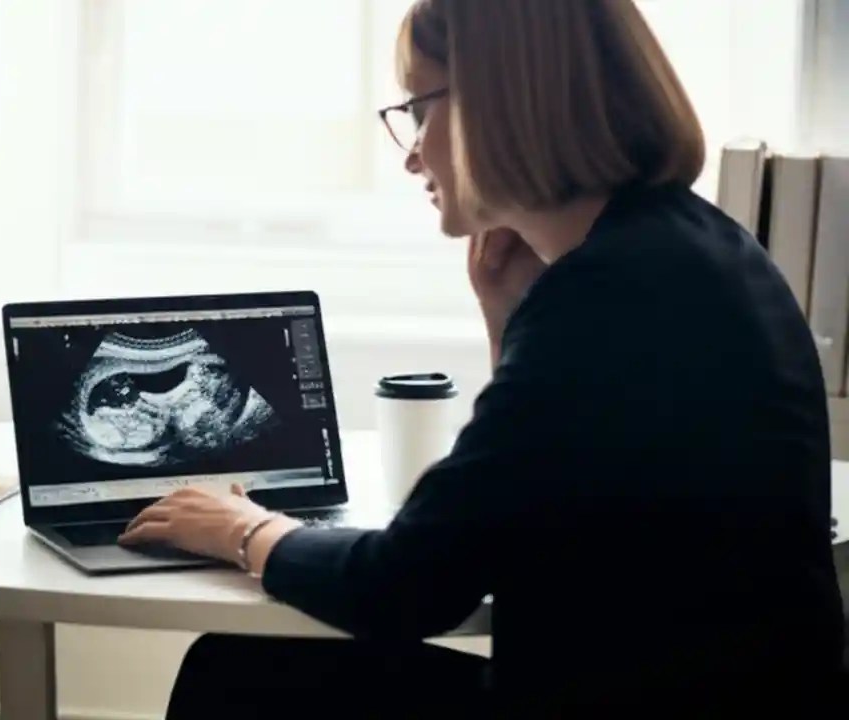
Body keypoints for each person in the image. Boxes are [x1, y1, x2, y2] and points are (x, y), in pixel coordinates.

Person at [118, 0, 847, 716]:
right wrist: (508, 320)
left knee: (235, 674)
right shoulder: (699, 247)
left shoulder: (607, 296)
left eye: (421, 111)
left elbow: (409, 587)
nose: (410, 153)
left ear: (501, 101)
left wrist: (243, 530)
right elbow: (538, 497)